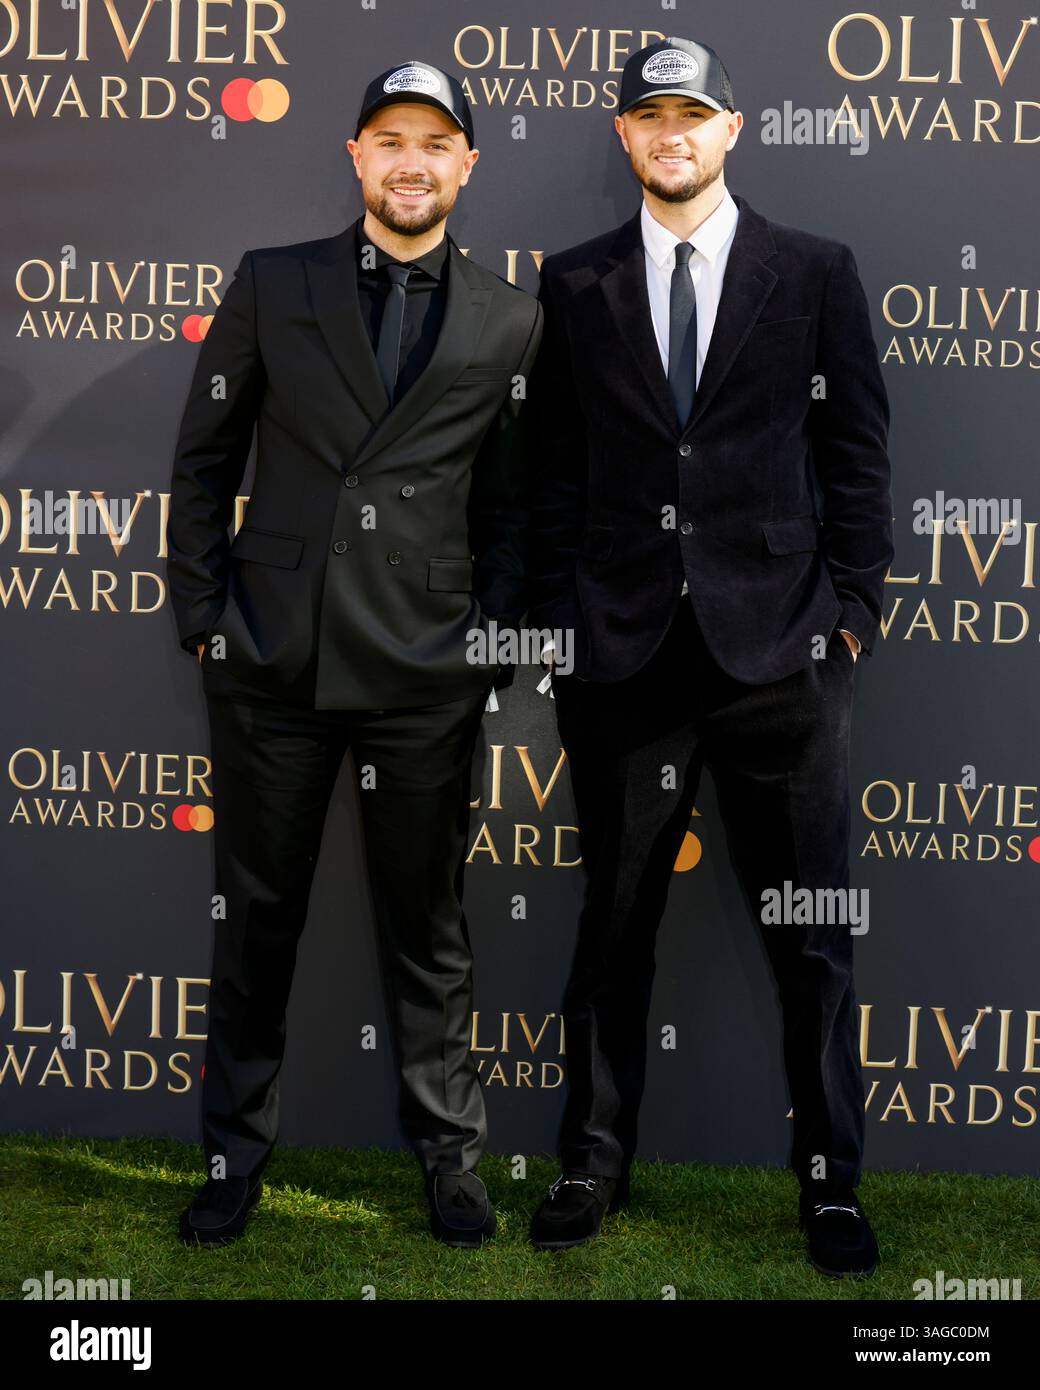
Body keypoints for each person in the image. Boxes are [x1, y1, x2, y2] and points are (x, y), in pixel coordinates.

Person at [525, 36, 893, 1276]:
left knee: (811, 941)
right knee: (611, 928)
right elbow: (549, 475)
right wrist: (556, 625)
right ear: (622, 138)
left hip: (781, 658)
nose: (668, 134)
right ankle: (589, 1164)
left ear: (730, 129)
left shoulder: (813, 272)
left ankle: (831, 1184)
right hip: (624, 662)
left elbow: (856, 460)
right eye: (647, 117)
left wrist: (850, 613)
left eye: (691, 114)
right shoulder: (570, 285)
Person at [167, 59, 542, 1249]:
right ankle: (233, 1156)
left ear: (466, 163)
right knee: (256, 918)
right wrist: (204, 617)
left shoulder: (511, 317)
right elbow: (202, 460)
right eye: (388, 138)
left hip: (422, 673)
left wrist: (482, 645)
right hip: (272, 663)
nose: (410, 161)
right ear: (355, 157)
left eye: (435, 141)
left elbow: (520, 511)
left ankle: (450, 1160)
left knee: (427, 929)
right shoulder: (275, 286)